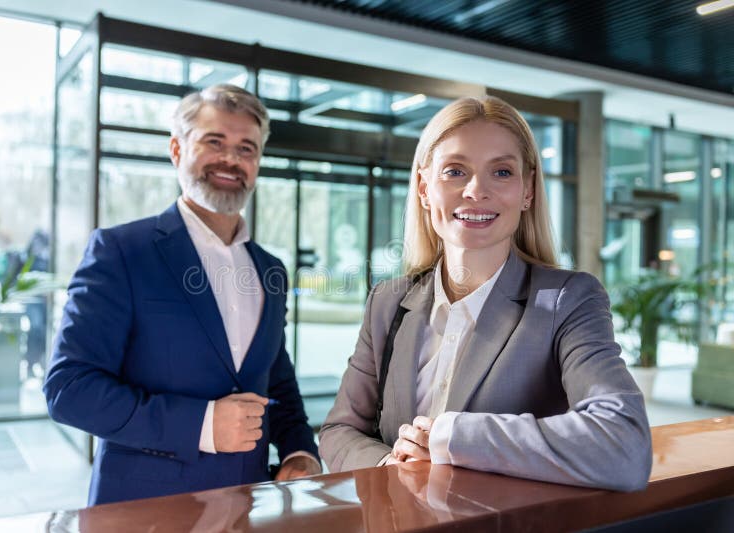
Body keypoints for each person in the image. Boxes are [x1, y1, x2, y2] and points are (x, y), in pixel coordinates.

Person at [319, 96, 652, 491]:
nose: (476, 191)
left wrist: (451, 438)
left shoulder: (567, 301)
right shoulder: (388, 302)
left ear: (528, 189)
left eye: (502, 172)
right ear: (425, 188)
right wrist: (390, 461)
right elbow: (340, 429)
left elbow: (624, 446)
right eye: (456, 171)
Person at [44, 84, 320, 505]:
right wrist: (202, 425)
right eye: (215, 142)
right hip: (143, 510)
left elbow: (276, 379)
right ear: (177, 149)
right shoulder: (122, 252)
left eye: (247, 148)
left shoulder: (271, 271)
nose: (232, 159)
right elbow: (69, 389)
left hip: (248, 505)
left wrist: (300, 450)